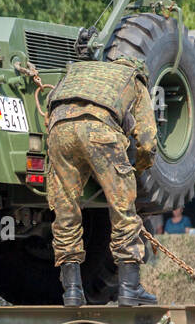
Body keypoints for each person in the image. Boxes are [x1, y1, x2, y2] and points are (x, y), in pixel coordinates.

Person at [45, 54, 158, 307]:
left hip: (59, 129)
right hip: (100, 131)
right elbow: (148, 142)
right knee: (123, 211)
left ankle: (72, 291)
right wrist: (135, 169)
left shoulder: (80, 71)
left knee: (65, 213)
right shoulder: (133, 80)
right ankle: (129, 288)